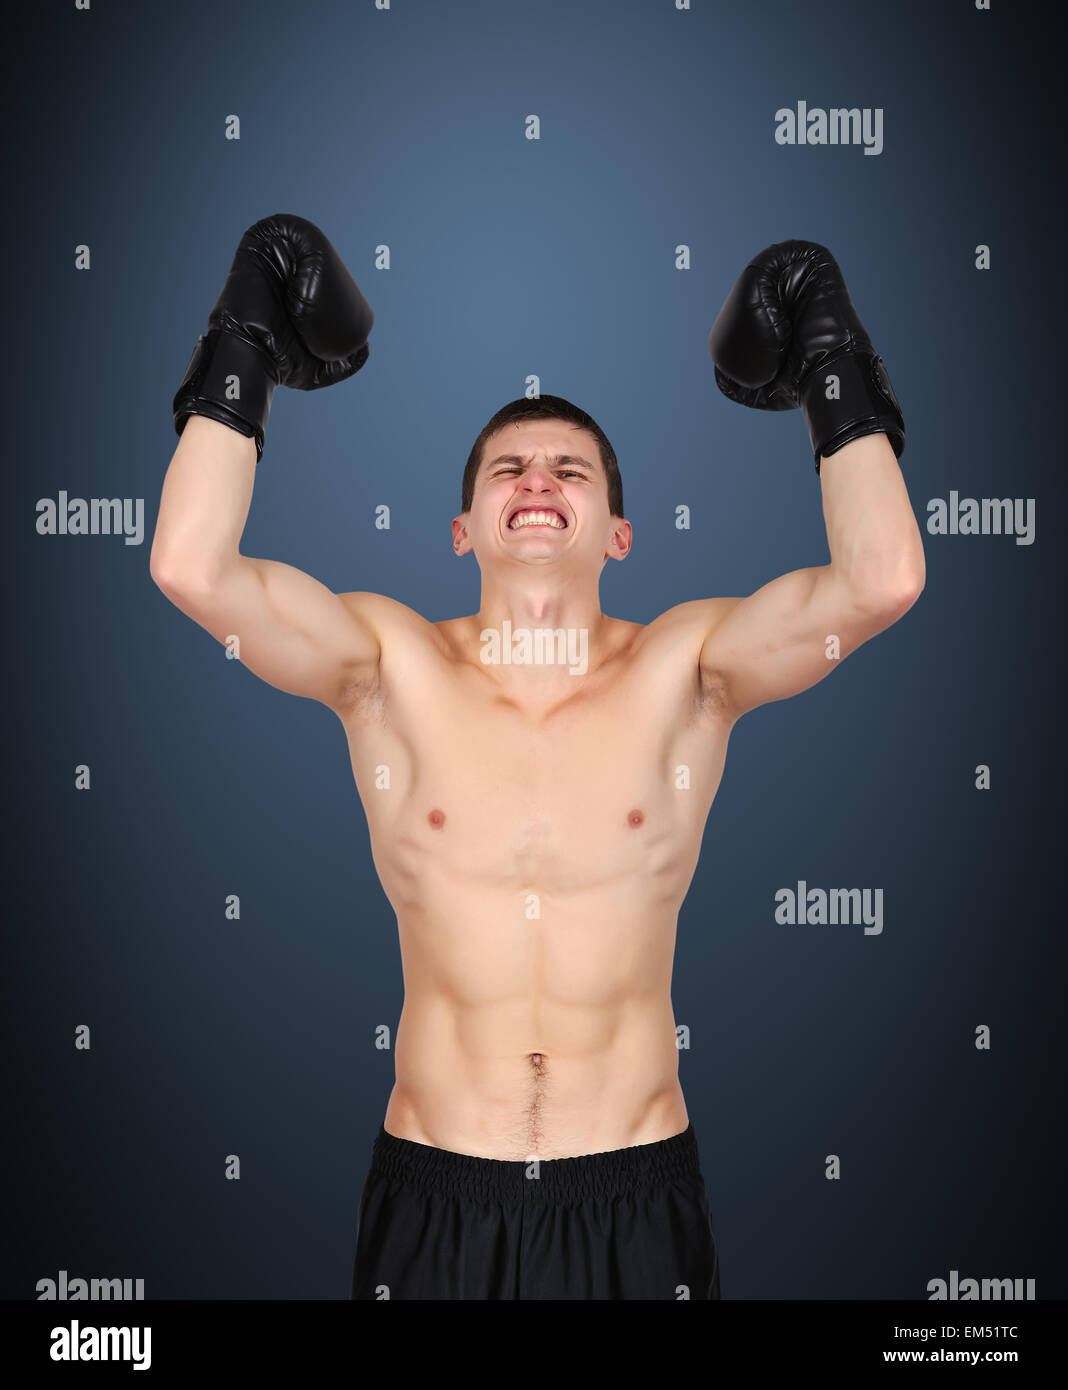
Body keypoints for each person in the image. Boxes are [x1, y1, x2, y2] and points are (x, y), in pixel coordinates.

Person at [151, 216, 925, 1300]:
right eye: (507, 465)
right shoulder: (385, 662)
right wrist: (245, 336)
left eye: (572, 469)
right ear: (464, 527)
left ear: (618, 532)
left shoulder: (690, 667)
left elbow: (881, 581)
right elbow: (191, 566)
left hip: (636, 1200)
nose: (537, 477)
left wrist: (832, 364)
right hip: (434, 1199)